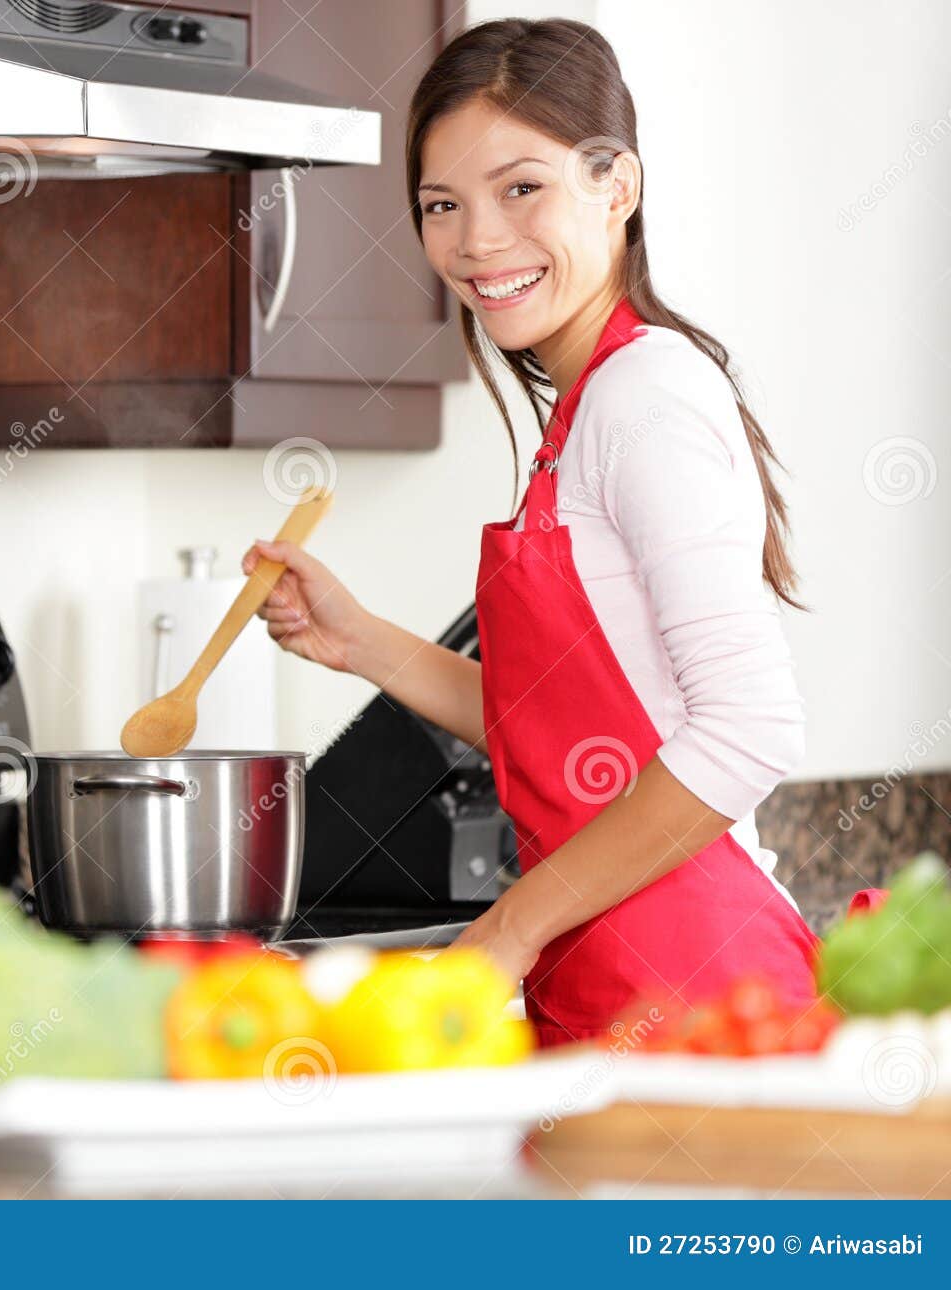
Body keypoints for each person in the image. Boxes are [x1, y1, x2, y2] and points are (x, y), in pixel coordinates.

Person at [244, 18, 818, 1046]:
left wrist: (507, 931)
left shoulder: (645, 398)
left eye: (521, 189)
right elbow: (576, 733)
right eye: (441, 206)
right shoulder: (590, 406)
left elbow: (751, 726)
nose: (477, 242)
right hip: (623, 982)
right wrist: (362, 641)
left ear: (617, 187)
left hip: (695, 992)